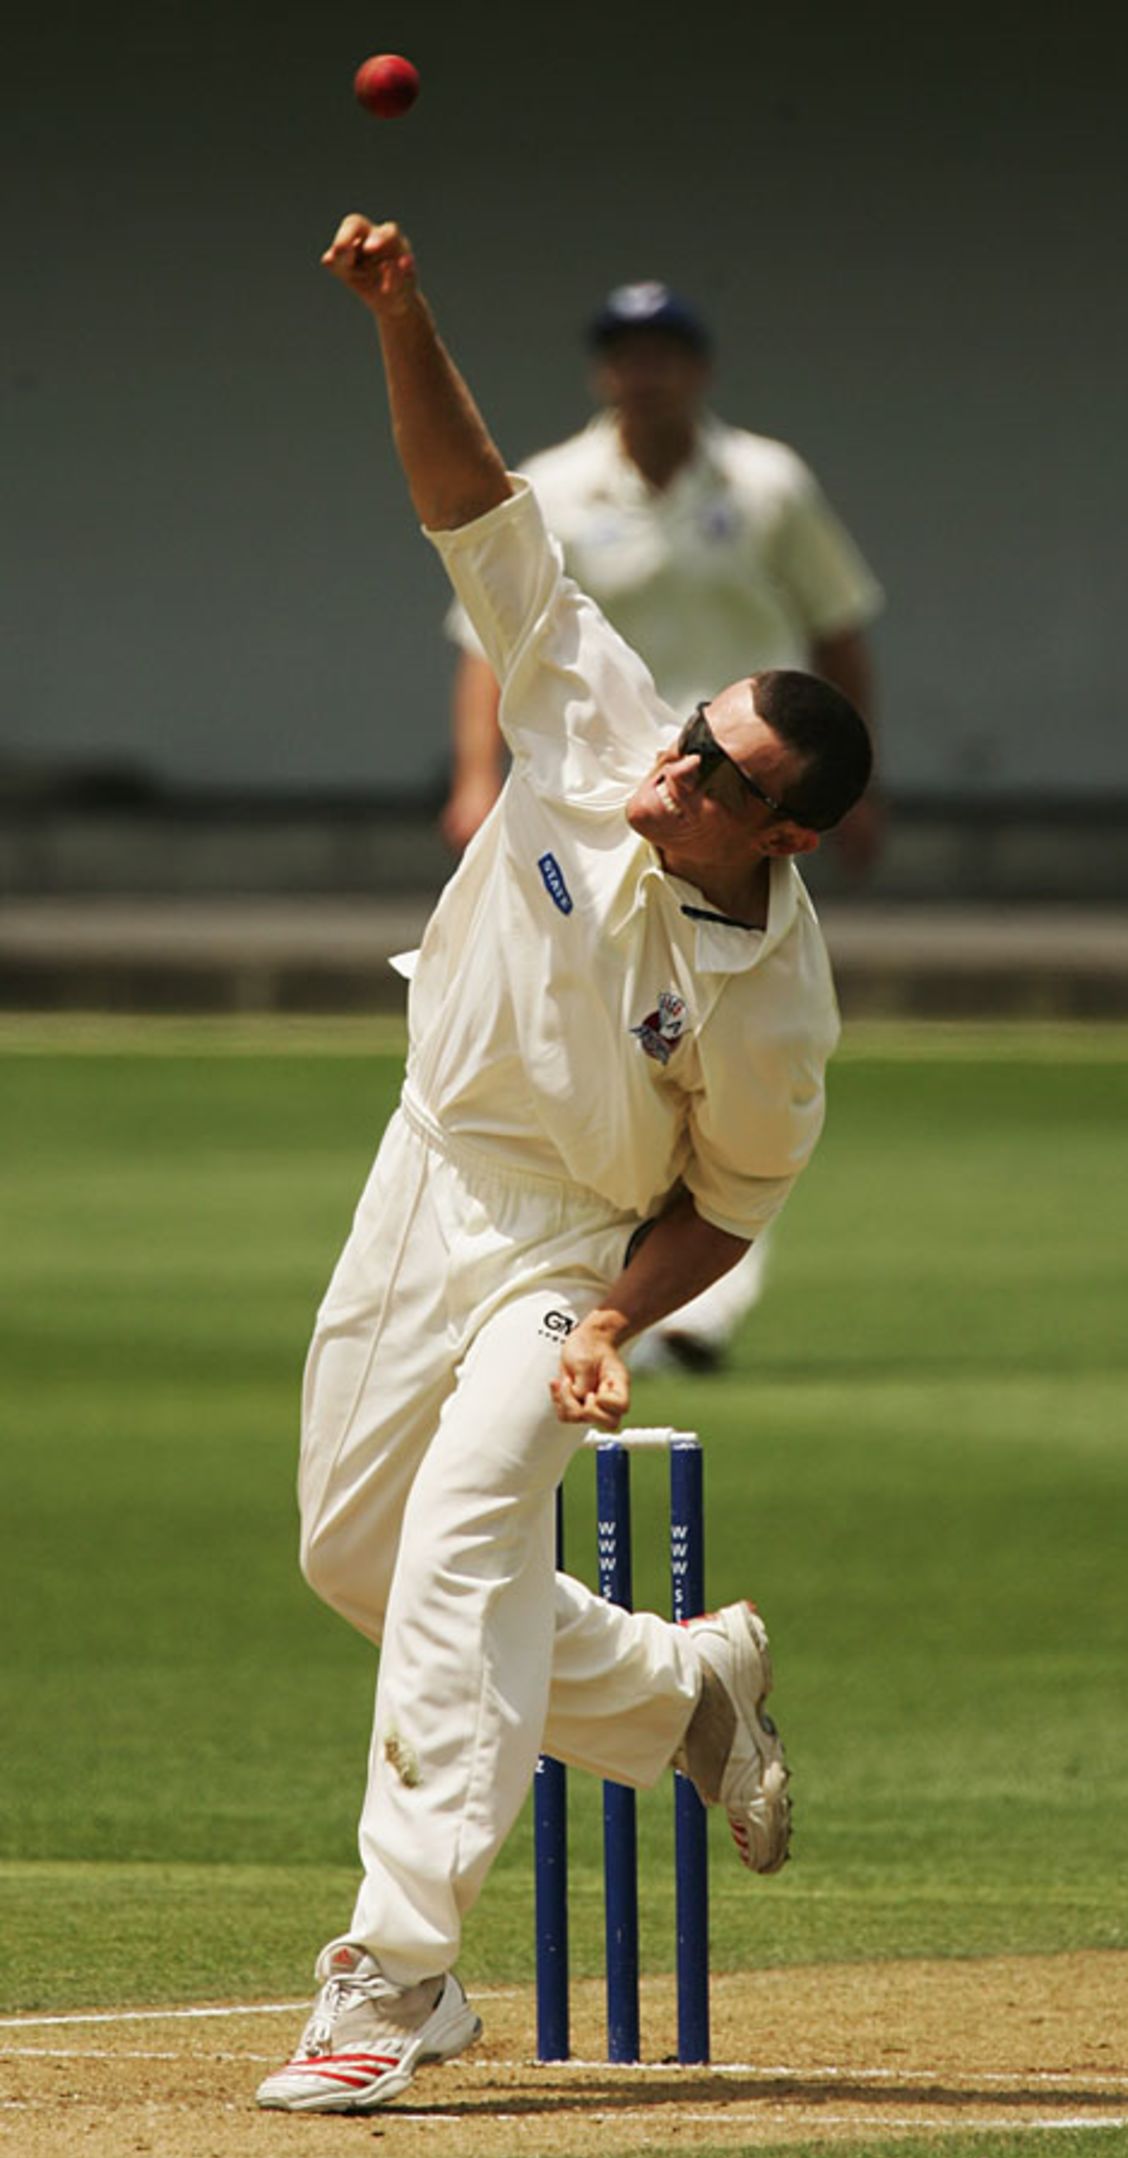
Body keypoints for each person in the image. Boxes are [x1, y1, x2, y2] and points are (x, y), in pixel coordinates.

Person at [256, 212, 873, 2115]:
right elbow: (474, 505)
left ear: (785, 839)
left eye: (718, 776)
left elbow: (730, 1206)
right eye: (695, 734)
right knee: (355, 1553)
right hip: (418, 1167)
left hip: (566, 1247)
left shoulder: (774, 1019)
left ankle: (400, 1972)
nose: (672, 769)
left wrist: (611, 1314)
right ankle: (691, 1688)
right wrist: (404, 311)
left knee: (457, 1552)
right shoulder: (601, 706)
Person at [442, 278, 884, 1375]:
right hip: (620, 791)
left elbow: (837, 631)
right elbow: (492, 639)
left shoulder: (769, 483)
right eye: (626, 353)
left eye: (666, 352)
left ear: (699, 366)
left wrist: (852, 783)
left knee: (738, 1044)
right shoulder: (556, 483)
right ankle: (611, 1290)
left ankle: (697, 1304)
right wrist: (472, 775)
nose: (647, 373)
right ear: (604, 370)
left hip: (750, 803)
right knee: (613, 1044)